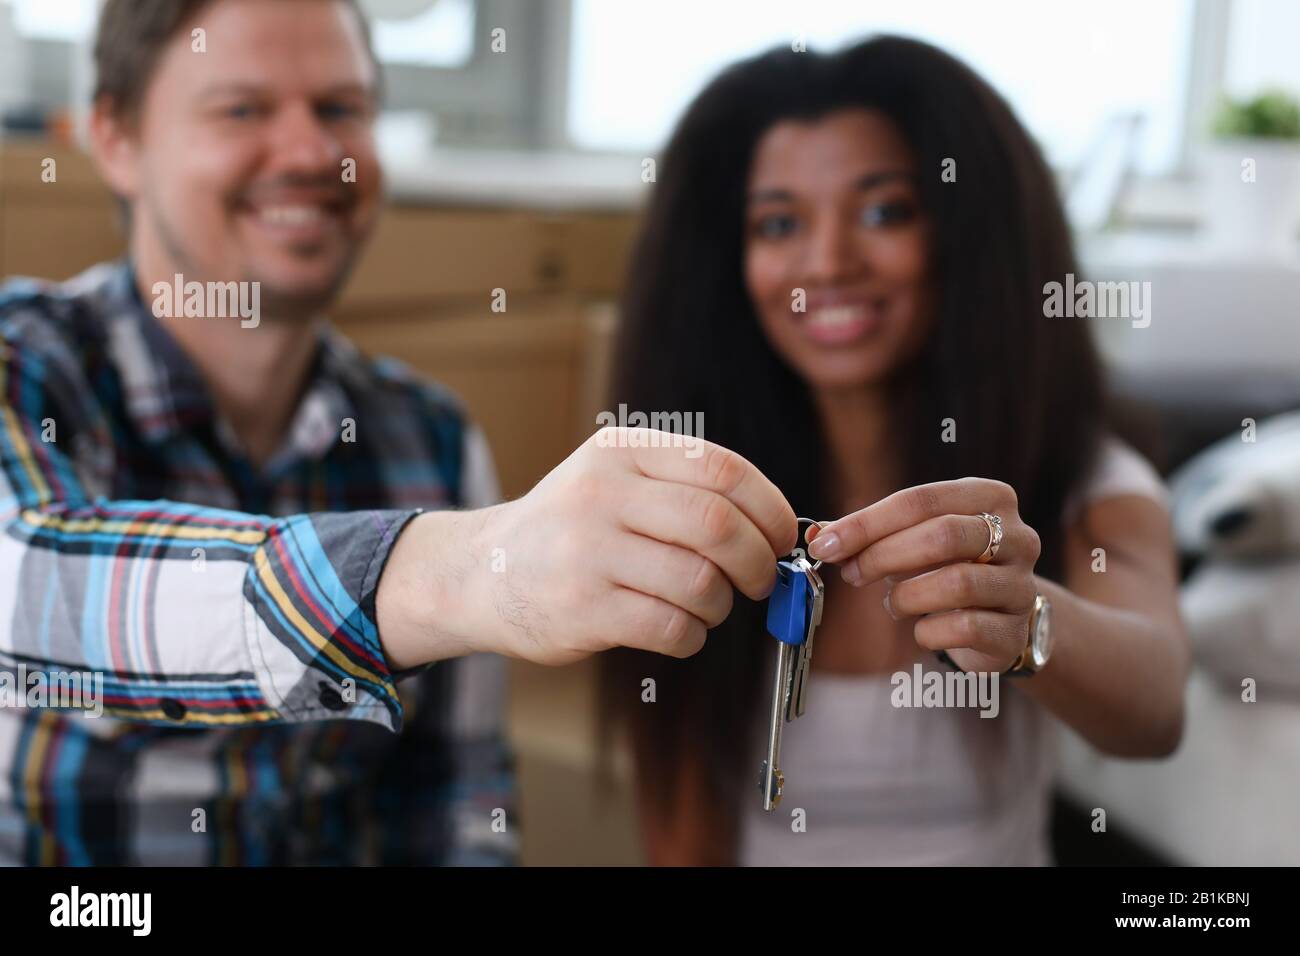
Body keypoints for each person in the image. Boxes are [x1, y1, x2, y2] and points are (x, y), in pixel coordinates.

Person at [0, 0, 795, 865]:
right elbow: (32, 587)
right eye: (243, 109)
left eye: (341, 108)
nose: (311, 154)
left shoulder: (433, 438)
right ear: (114, 139)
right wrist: (457, 572)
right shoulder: (25, 363)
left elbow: (460, 796)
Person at [599, 36, 1191, 866]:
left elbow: (1157, 706)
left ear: (968, 237)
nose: (828, 262)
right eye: (779, 223)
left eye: (884, 211)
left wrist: (1027, 620)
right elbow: (683, 840)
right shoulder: (694, 506)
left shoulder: (1085, 474)